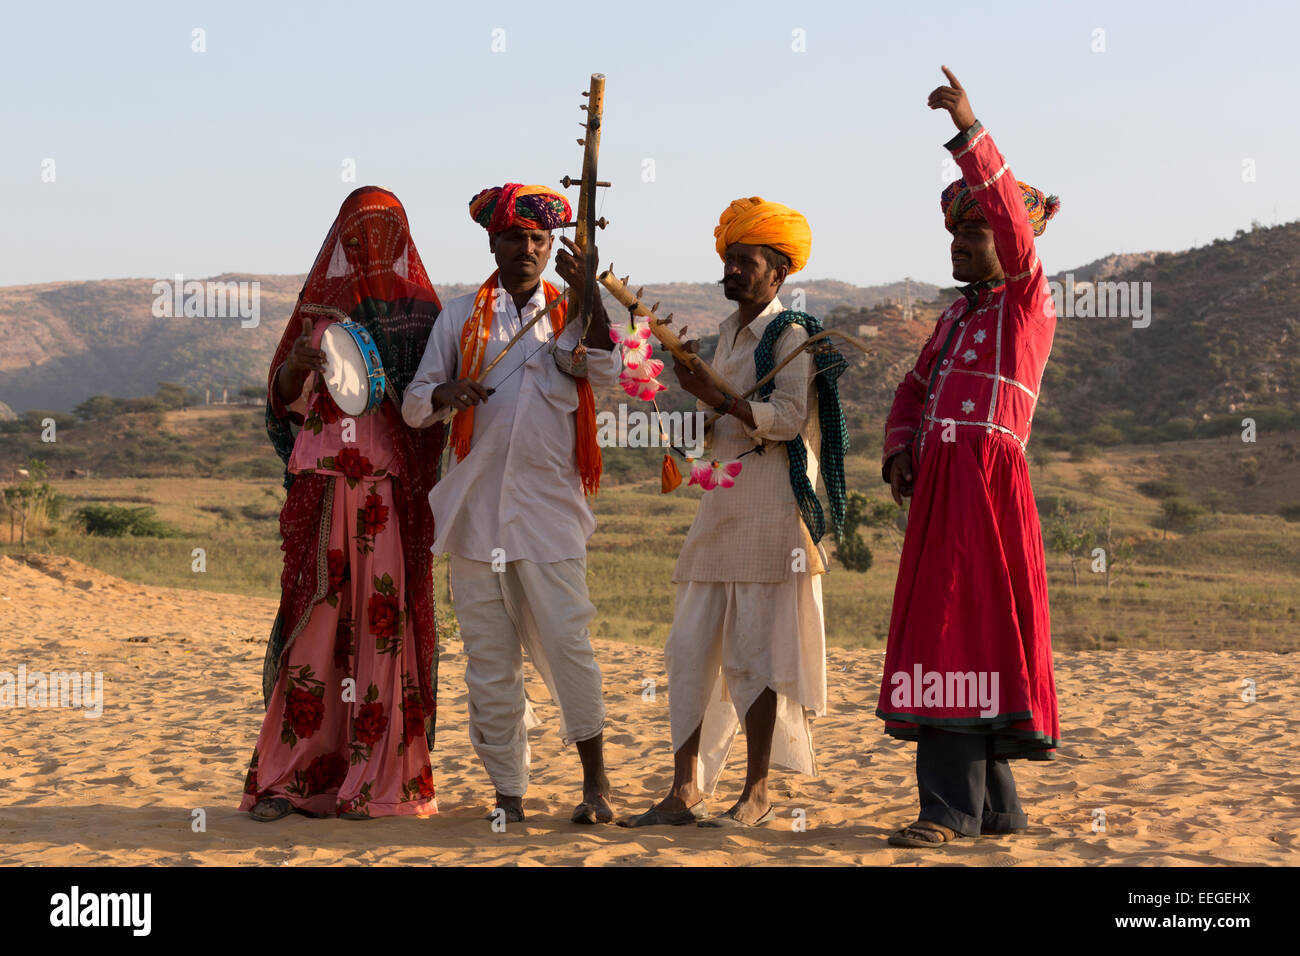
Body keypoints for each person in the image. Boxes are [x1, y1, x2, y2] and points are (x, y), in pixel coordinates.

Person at [877, 67, 1061, 847]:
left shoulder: (1027, 303)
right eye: (955, 233)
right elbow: (911, 392)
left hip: (986, 486)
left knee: (955, 631)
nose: (961, 243)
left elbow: (1013, 226)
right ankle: (993, 809)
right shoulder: (953, 322)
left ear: (1010, 243)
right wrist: (899, 451)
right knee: (967, 632)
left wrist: (968, 131)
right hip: (942, 487)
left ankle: (945, 812)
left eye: (975, 233)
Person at [621, 197, 846, 828]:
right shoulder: (723, 336)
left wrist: (714, 397)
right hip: (719, 512)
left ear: (778, 272)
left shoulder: (791, 335)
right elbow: (714, 428)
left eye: (747, 261)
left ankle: (757, 791)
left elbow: (786, 420)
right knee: (688, 651)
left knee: (755, 659)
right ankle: (684, 790)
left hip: (772, 515)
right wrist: (685, 410)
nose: (734, 269)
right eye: (730, 259)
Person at [401, 183, 617, 824]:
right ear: (493, 243)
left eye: (538, 239)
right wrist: (446, 392)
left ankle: (596, 786)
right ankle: (508, 795)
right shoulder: (459, 317)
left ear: (552, 248)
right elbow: (413, 404)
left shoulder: (573, 311)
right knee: (489, 665)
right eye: (514, 237)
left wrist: (591, 293)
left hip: (549, 518)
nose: (526, 248)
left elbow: (610, 370)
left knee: (569, 648)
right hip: (474, 521)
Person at [240, 186, 446, 821]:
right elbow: (282, 396)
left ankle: (377, 785)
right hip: (326, 483)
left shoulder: (423, 311)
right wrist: (296, 366)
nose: (369, 241)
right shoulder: (319, 305)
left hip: (388, 486)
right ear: (342, 238)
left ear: (400, 238)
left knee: (383, 630)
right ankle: (290, 782)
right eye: (358, 231)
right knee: (316, 625)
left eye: (383, 230)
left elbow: (433, 403)